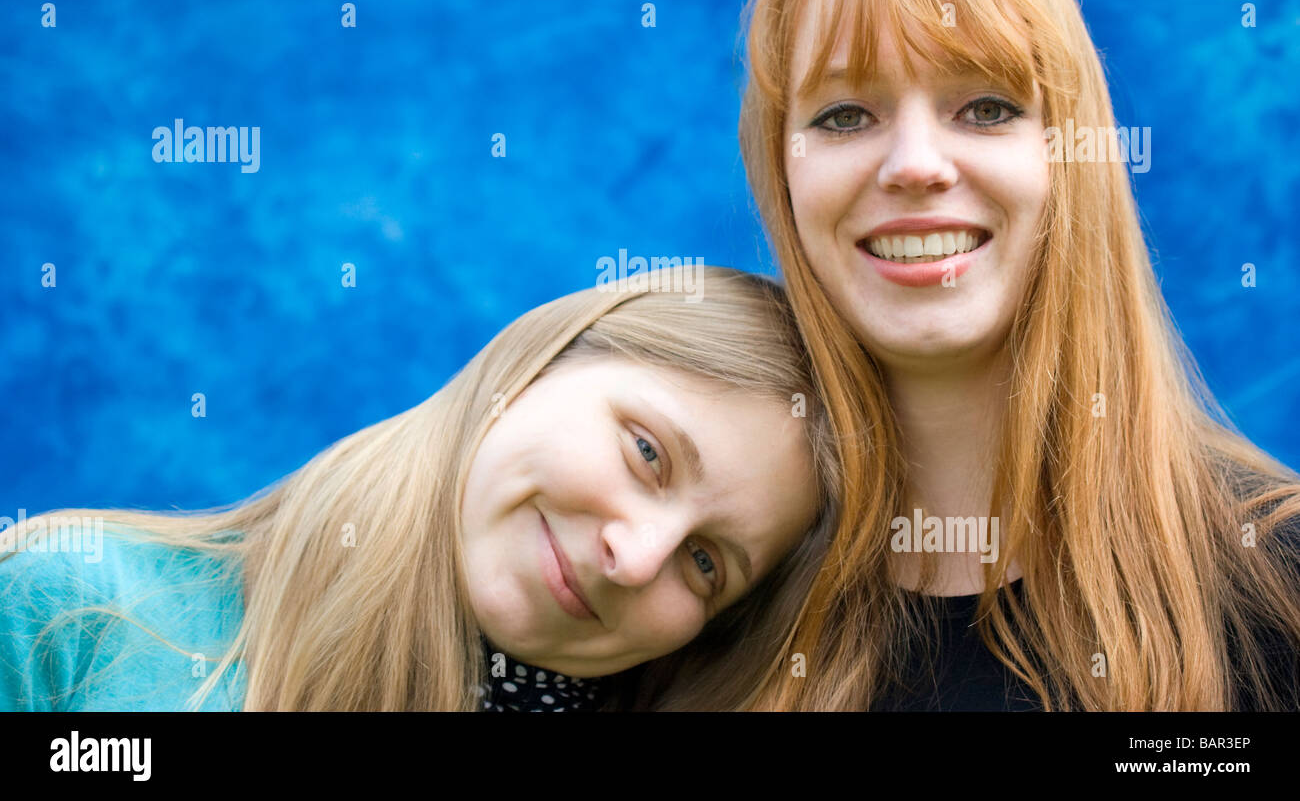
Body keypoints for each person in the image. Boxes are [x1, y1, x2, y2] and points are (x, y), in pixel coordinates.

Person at [735, 0, 1300, 710]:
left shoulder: (1279, 580)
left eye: (987, 108)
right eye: (845, 115)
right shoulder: (693, 582)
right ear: (780, 174)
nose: (917, 165)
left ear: (1068, 157)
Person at [0, 266, 835, 711]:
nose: (636, 555)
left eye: (704, 563)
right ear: (533, 366)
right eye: (647, 451)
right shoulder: (68, 616)